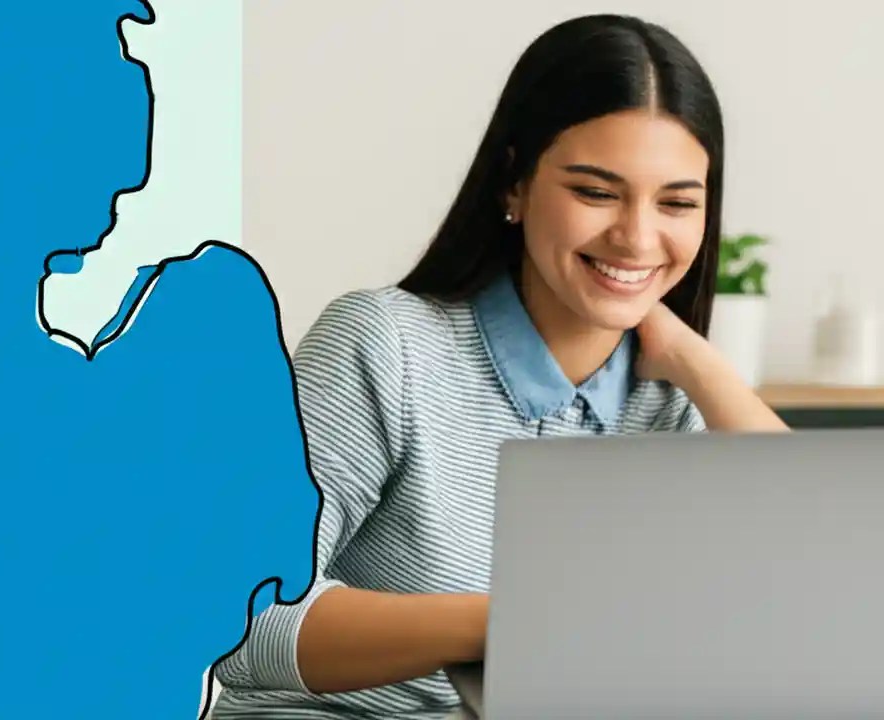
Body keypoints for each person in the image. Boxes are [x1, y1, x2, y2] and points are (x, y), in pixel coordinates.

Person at [210, 12, 789, 720]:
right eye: (596, 192)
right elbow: (237, 618)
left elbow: (809, 592)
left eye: (677, 203)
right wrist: (511, 623)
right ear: (514, 184)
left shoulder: (670, 402)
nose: (638, 238)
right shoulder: (386, 344)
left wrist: (698, 362)